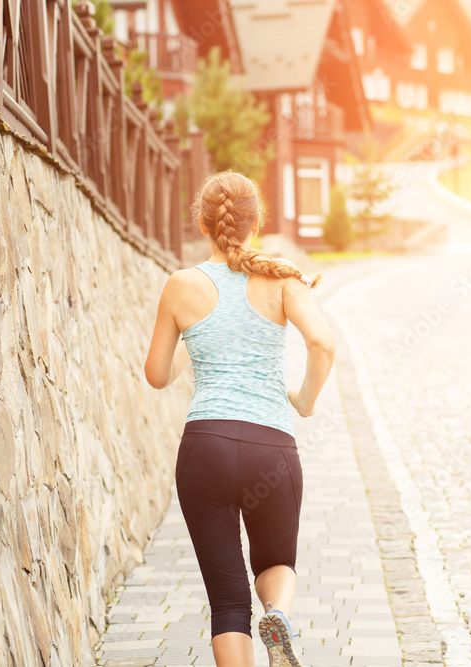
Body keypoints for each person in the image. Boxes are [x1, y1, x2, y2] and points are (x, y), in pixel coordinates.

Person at [144, 170, 336, 667]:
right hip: (270, 447)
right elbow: (323, 343)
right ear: (257, 222)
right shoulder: (281, 278)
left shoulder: (180, 285)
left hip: (205, 447)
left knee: (228, 602)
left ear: (203, 225)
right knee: (276, 563)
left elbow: (157, 375)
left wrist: (196, 334)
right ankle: (280, 618)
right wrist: (306, 400)